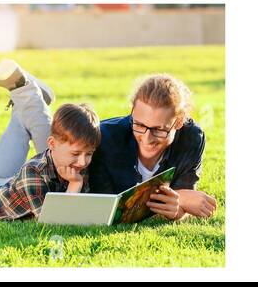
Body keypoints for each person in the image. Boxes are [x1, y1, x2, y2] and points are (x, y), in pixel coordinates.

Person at [0, 59, 99, 220]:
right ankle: (28, 94)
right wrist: (75, 185)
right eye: (76, 154)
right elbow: (55, 221)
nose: (83, 162)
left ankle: (28, 95)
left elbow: (82, 208)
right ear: (51, 144)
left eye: (89, 154)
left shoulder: (77, 165)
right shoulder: (33, 173)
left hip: (3, 188)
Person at [87, 74, 217, 220]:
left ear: (179, 122)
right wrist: (182, 198)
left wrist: (178, 210)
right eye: (139, 125)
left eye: (159, 130)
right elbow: (103, 205)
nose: (147, 139)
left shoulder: (191, 138)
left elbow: (181, 205)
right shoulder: (105, 138)